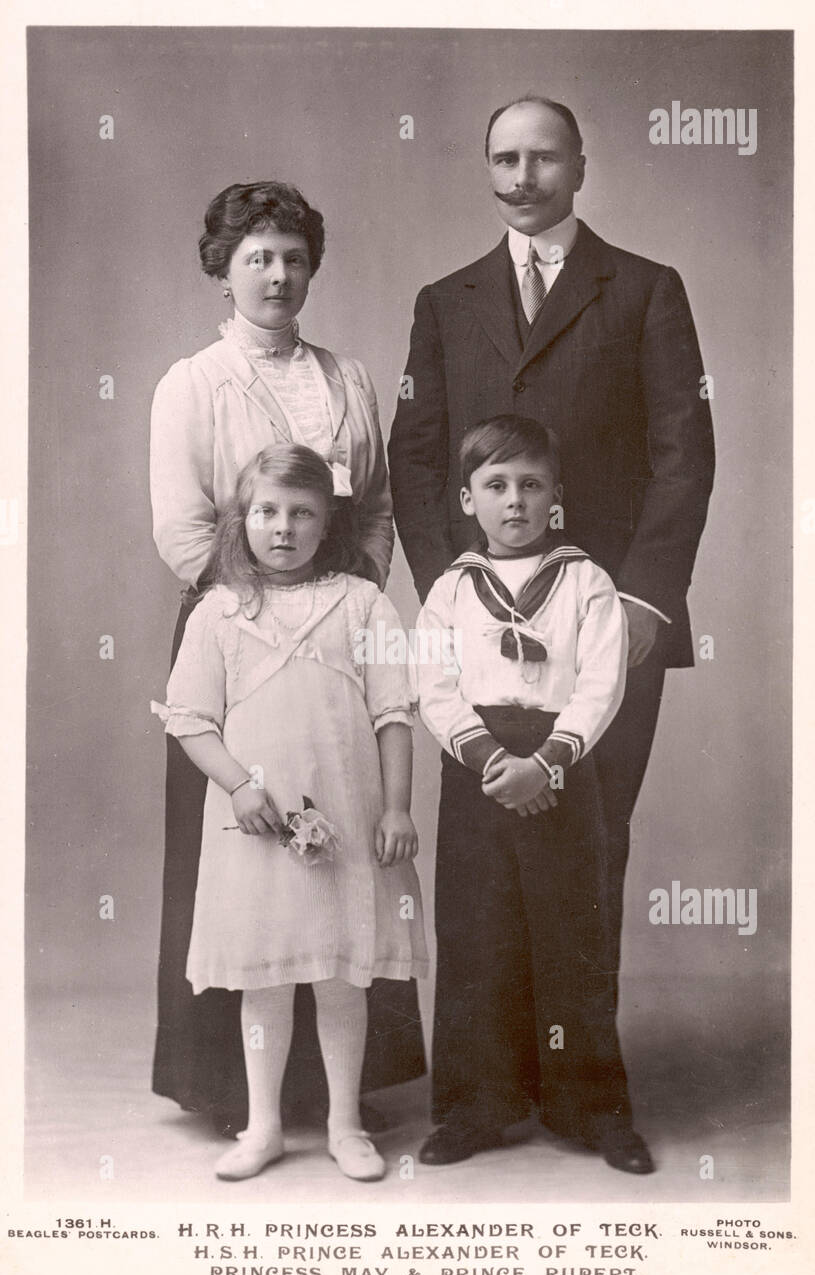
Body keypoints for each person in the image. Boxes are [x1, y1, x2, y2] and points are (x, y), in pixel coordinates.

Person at [389, 97, 715, 1170]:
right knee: (479, 874)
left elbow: (683, 454)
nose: (521, 175)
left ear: (580, 162)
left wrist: (640, 602)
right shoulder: (446, 301)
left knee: (584, 862)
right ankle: (479, 1094)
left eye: (542, 157)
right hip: (475, 643)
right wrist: (464, 602)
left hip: (605, 628)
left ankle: (583, 1096)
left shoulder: (647, 289)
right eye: (502, 157)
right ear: (485, 167)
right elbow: (417, 457)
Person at [150, 181, 425, 1137]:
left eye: (292, 257)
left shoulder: (346, 377)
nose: (277, 274)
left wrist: (349, 594)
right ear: (222, 270)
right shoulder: (193, 382)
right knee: (254, 861)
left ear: (311, 268)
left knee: (344, 845)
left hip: (340, 629)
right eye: (257, 256)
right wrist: (258, 600)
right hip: (235, 626)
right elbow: (182, 526)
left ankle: (346, 1105)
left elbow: (378, 506)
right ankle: (243, 1099)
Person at [152, 443, 427, 1180]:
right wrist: (240, 785)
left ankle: (345, 1123)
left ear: (327, 522)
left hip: (347, 818)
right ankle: (264, 1125)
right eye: (267, 512)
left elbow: (393, 714)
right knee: (263, 975)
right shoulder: (218, 612)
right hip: (260, 826)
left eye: (302, 513)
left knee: (345, 972)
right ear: (242, 520)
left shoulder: (362, 603)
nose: (282, 528)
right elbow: (189, 720)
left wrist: (396, 808)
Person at [414, 415, 651, 1173]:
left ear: (556, 497)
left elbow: (600, 685)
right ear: (466, 499)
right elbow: (433, 687)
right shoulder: (451, 591)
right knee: (479, 936)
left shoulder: (587, 582)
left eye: (529, 485)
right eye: (494, 486)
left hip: (560, 773)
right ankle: (477, 1105)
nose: (512, 501)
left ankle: (590, 1107)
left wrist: (544, 764)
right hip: (478, 772)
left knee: (571, 938)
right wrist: (492, 761)